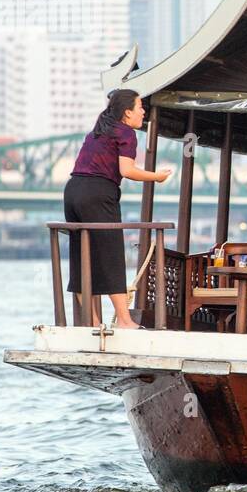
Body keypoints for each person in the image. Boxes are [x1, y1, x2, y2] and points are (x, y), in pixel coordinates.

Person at [64, 89, 172, 328]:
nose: (143, 111)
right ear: (127, 112)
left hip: (72, 191)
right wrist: (157, 177)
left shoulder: (98, 131)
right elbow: (127, 170)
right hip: (97, 193)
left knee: (82, 255)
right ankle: (124, 320)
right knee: (111, 254)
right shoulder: (126, 132)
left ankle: (91, 322)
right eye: (140, 106)